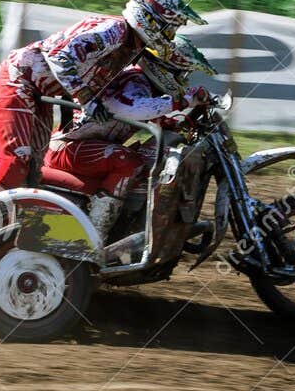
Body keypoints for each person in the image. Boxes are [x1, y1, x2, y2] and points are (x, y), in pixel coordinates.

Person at [0, 0, 205, 260]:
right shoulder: (115, 30)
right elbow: (59, 55)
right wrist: (86, 97)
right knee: (14, 163)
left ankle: (13, 242)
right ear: (150, 19)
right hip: (19, 79)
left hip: (39, 92)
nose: (169, 36)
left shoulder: (130, 47)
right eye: (168, 28)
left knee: (31, 172)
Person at [44, 35, 217, 243]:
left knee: (147, 157)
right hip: (68, 148)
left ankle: (128, 227)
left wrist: (179, 122)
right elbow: (129, 108)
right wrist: (184, 100)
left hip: (84, 148)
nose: (184, 80)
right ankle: (95, 235)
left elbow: (146, 113)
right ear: (164, 67)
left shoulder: (143, 85)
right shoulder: (134, 80)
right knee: (128, 162)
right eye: (182, 73)